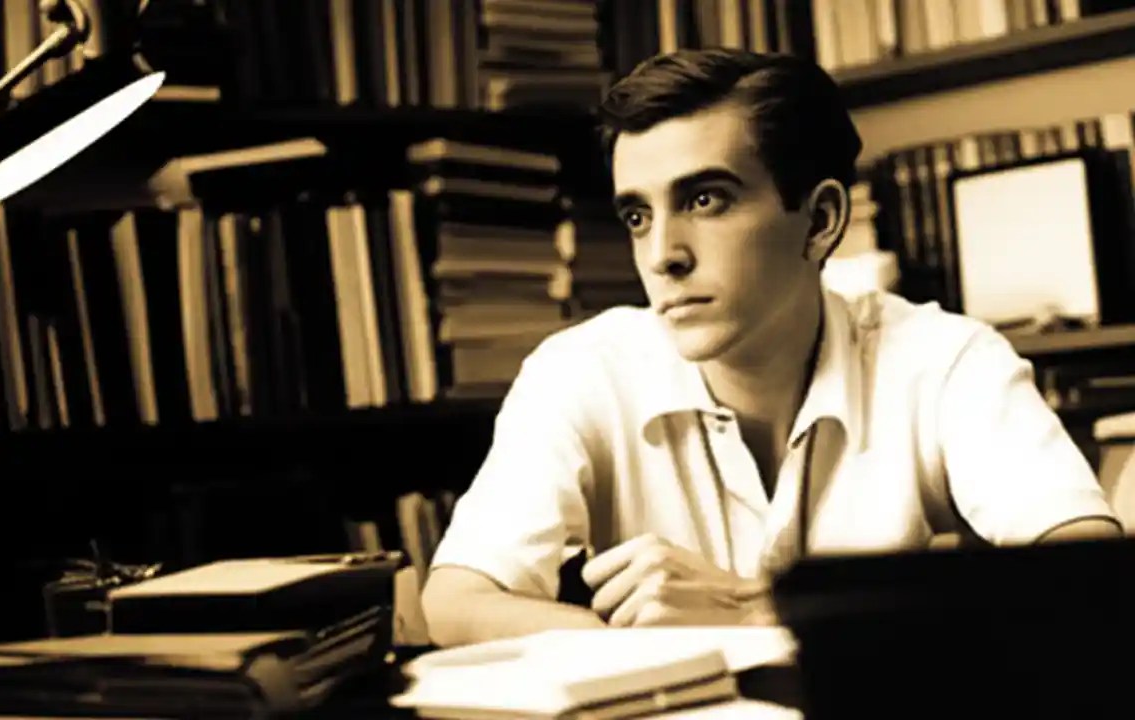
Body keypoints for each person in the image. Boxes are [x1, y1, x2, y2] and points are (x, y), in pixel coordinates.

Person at [419, 47, 1122, 648]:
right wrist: (644, 651)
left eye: (705, 200)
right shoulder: (578, 372)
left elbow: (1090, 580)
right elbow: (454, 601)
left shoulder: (945, 359)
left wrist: (759, 615)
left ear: (819, 221)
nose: (662, 256)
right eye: (638, 215)